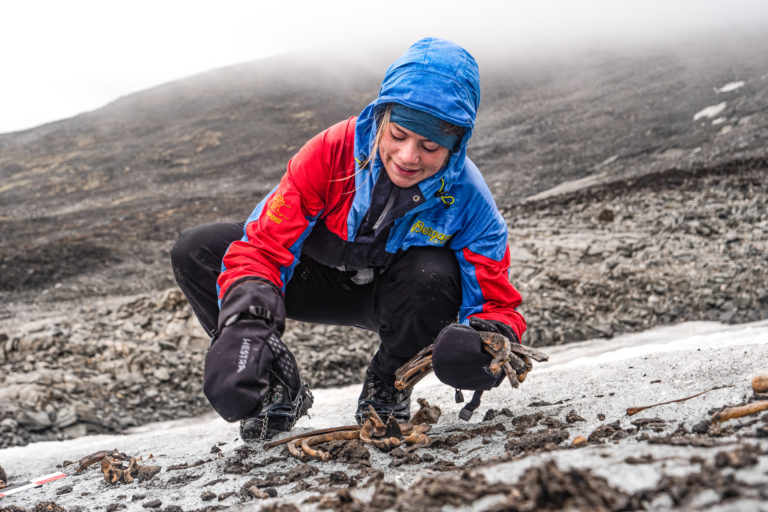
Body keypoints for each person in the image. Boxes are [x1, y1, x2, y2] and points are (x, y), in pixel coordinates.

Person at [170, 37, 526, 441]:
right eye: (398, 134)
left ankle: (389, 385)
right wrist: (243, 325)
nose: (409, 156)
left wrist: (485, 345)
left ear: (456, 147)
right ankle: (274, 386)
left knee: (434, 270)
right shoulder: (330, 152)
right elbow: (263, 247)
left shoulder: (470, 198)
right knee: (198, 250)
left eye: (430, 146)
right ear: (380, 118)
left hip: (397, 297)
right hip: (312, 280)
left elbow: (497, 302)